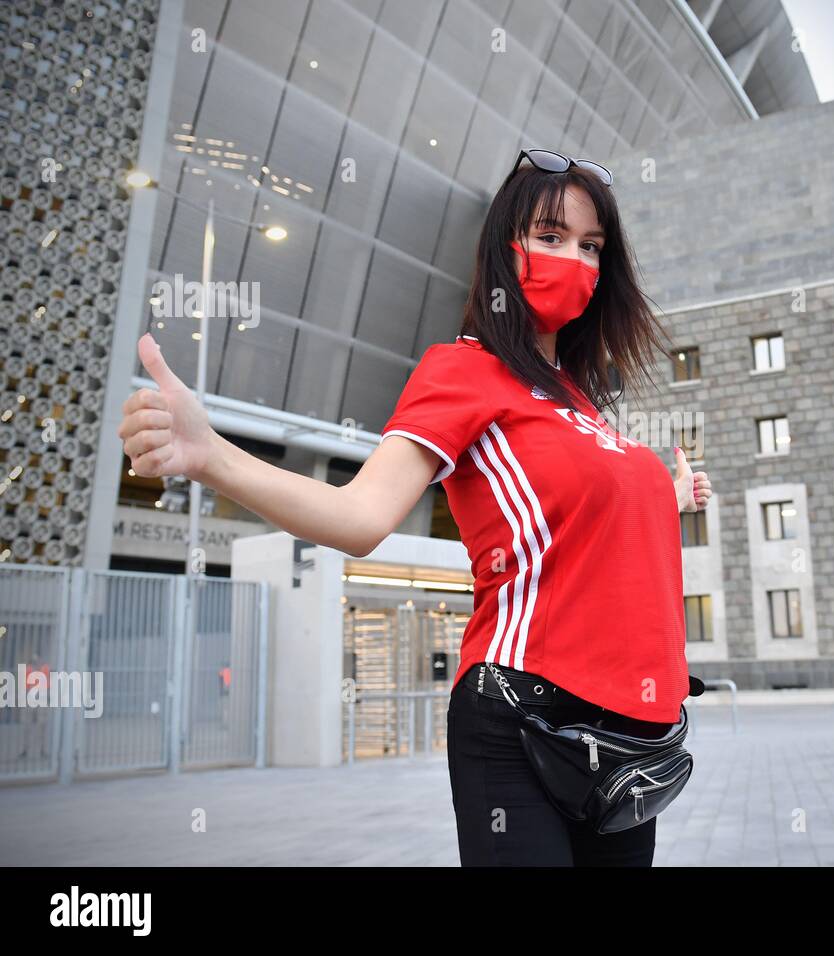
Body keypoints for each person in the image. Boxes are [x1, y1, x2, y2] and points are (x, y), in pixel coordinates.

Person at [117, 147, 714, 866]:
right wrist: (212, 456)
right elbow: (362, 517)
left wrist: (667, 496)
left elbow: (586, 526)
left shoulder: (584, 404)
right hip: (523, 715)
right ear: (504, 249)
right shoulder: (463, 371)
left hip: (630, 735)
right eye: (550, 236)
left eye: (592, 247)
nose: (575, 260)